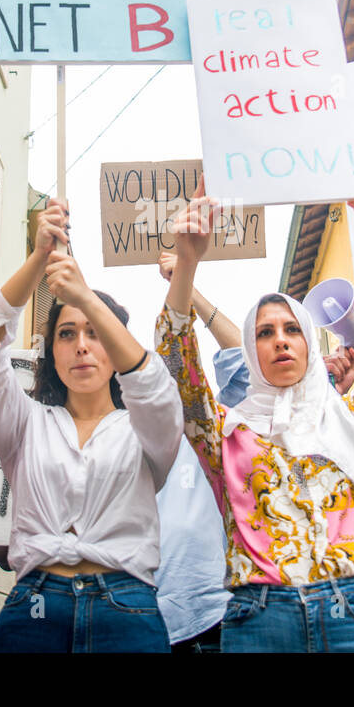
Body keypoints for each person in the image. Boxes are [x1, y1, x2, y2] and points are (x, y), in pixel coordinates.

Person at [158, 172, 354, 653]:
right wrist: (186, 263)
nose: (280, 339)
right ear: (250, 349)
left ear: (309, 341)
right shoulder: (223, 430)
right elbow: (176, 374)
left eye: (292, 328)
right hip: (259, 617)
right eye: (264, 332)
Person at [0, 199, 182, 653]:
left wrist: (83, 297)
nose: (81, 346)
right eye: (67, 334)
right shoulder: (25, 422)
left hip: (127, 611)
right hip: (34, 610)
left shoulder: (144, 428)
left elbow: (155, 389)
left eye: (95, 332)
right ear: (52, 350)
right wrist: (38, 258)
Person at [152, 253, 233, 653]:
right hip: (144, 618)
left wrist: (188, 283)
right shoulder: (123, 433)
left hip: (218, 616)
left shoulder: (215, 429)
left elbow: (245, 363)